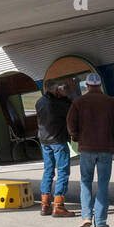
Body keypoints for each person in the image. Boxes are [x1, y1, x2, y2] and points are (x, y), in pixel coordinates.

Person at [66, 71, 114, 227]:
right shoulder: (111, 102)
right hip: (105, 149)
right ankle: (100, 223)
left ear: (87, 85)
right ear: (99, 84)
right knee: (103, 185)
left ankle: (86, 217)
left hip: (86, 149)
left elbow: (71, 124)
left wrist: (77, 137)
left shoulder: (78, 102)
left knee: (85, 182)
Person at [35, 79, 75, 217]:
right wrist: (66, 95)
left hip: (44, 141)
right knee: (63, 171)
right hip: (58, 141)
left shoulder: (39, 102)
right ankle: (59, 205)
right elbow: (71, 109)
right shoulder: (57, 102)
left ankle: (45, 205)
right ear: (55, 89)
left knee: (48, 171)